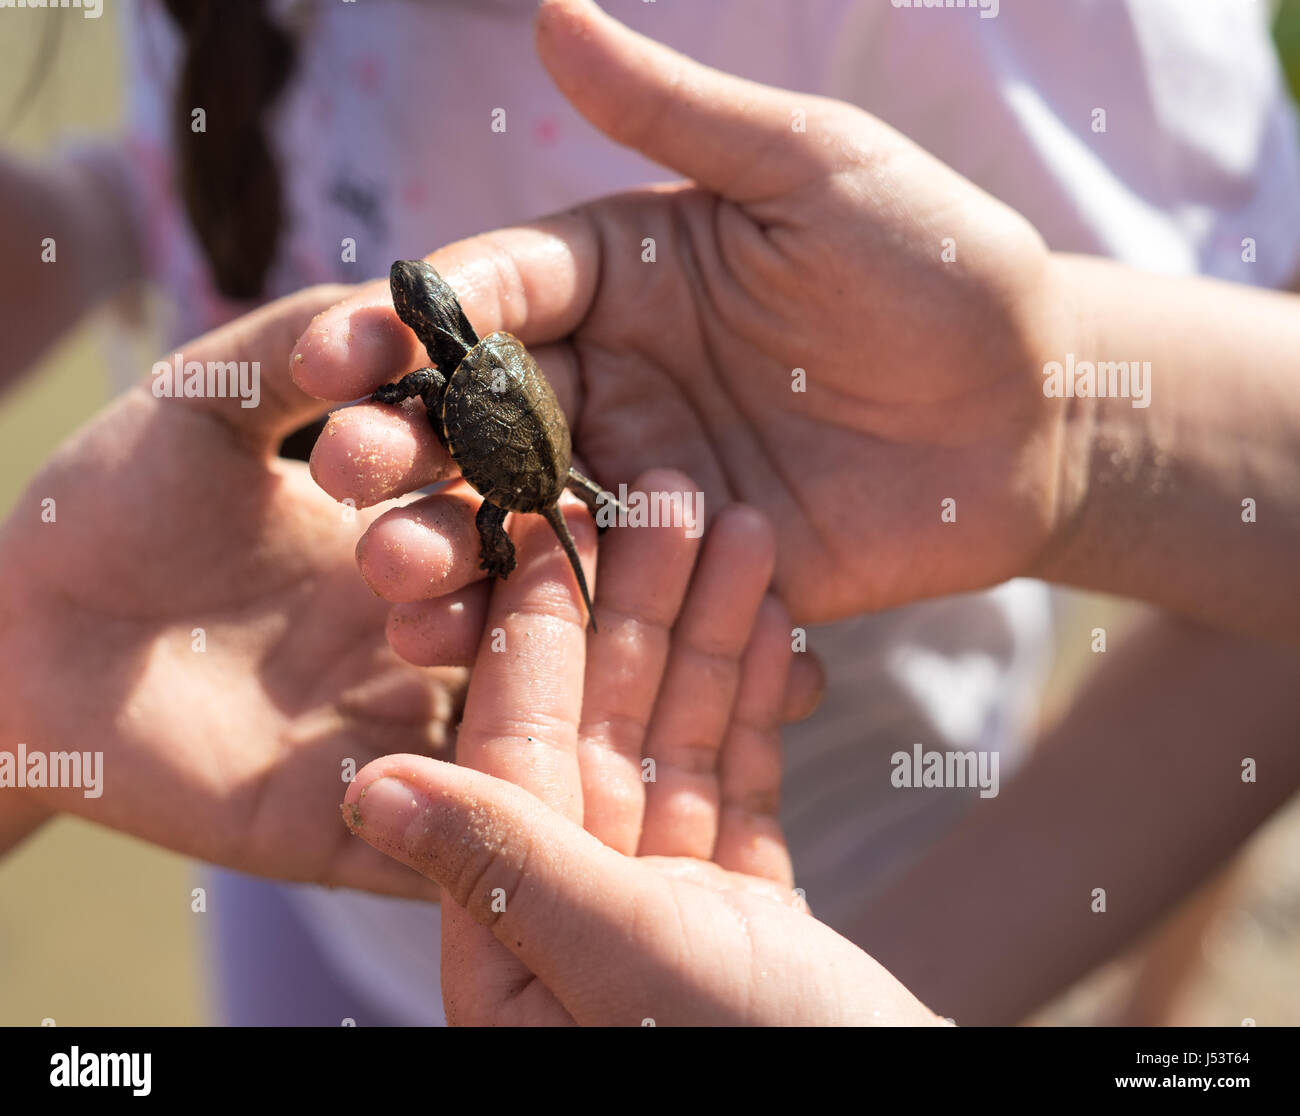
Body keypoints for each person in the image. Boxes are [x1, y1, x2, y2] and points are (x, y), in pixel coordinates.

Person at [2, 0, 1297, 1025]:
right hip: (310, 846)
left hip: (818, 891)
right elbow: (253, 147)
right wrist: (95, 212)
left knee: (551, 533)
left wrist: (902, 991)